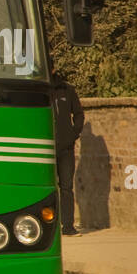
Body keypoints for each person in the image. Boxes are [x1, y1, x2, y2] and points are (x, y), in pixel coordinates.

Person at [51, 70, 85, 236]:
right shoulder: (40, 90)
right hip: (46, 147)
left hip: (66, 148)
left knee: (66, 187)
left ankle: (68, 226)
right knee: (49, 189)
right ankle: (50, 227)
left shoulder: (67, 90)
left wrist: (73, 134)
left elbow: (78, 114)